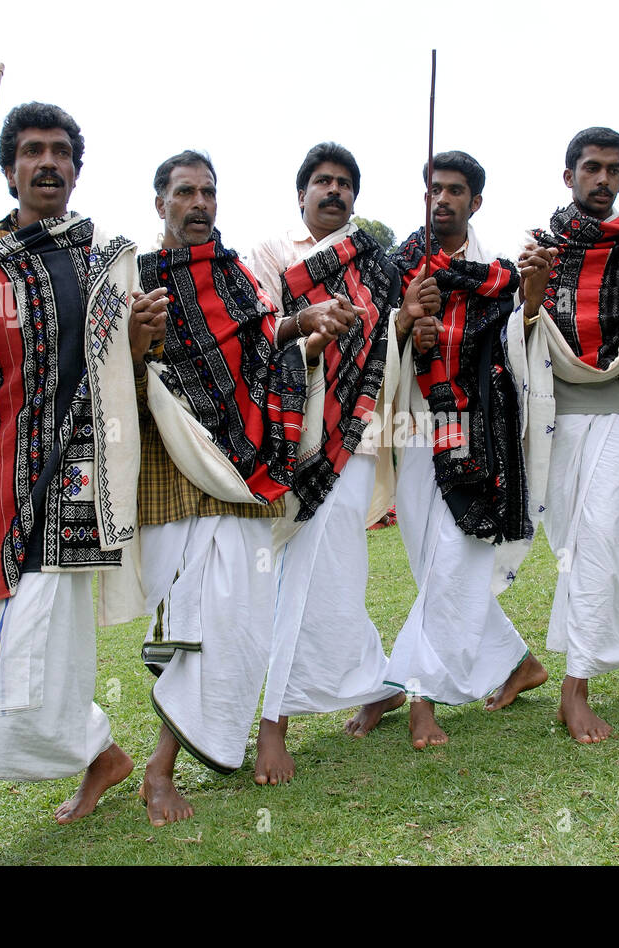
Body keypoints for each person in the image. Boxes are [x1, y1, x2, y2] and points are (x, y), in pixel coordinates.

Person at [0, 103, 141, 863]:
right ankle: (100, 755)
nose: (47, 162)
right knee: (7, 642)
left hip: (74, 476)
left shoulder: (105, 258)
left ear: (76, 170)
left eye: (60, 151)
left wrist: (143, 334)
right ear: (10, 168)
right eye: (31, 151)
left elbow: (127, 365)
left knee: (21, 651)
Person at [132, 150, 347, 823]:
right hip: (172, 463)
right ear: (160, 201)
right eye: (184, 192)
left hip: (240, 466)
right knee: (181, 617)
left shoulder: (235, 276)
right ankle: (150, 762)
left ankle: (159, 767)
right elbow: (112, 369)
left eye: (208, 192)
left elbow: (256, 344)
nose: (198, 204)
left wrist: (302, 329)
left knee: (226, 617)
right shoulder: (136, 280)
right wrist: (138, 345)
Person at [513, 127, 619, 743]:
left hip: (618, 414)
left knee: (598, 542)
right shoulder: (539, 248)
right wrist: (530, 301)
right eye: (592, 168)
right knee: (583, 544)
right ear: (570, 176)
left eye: (614, 170)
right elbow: (520, 338)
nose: (604, 180)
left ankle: (575, 688)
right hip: (556, 420)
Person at [245, 142, 409, 783]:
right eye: (322, 181)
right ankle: (379, 685)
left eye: (344, 183)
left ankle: (273, 722)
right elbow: (252, 327)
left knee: (316, 573)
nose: (333, 191)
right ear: (301, 193)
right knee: (313, 574)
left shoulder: (376, 267)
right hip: (285, 433)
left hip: (354, 434)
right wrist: (306, 324)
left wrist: (405, 322)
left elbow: (391, 340)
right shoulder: (267, 255)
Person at [385, 150, 547, 749]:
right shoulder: (399, 267)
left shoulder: (499, 273)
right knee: (431, 565)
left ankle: (417, 694)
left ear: (475, 201)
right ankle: (516, 663)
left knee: (454, 562)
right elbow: (377, 338)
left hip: (477, 434)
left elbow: (517, 346)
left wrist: (529, 301)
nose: (443, 199)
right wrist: (407, 325)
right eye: (434, 189)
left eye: (455, 190)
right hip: (412, 429)